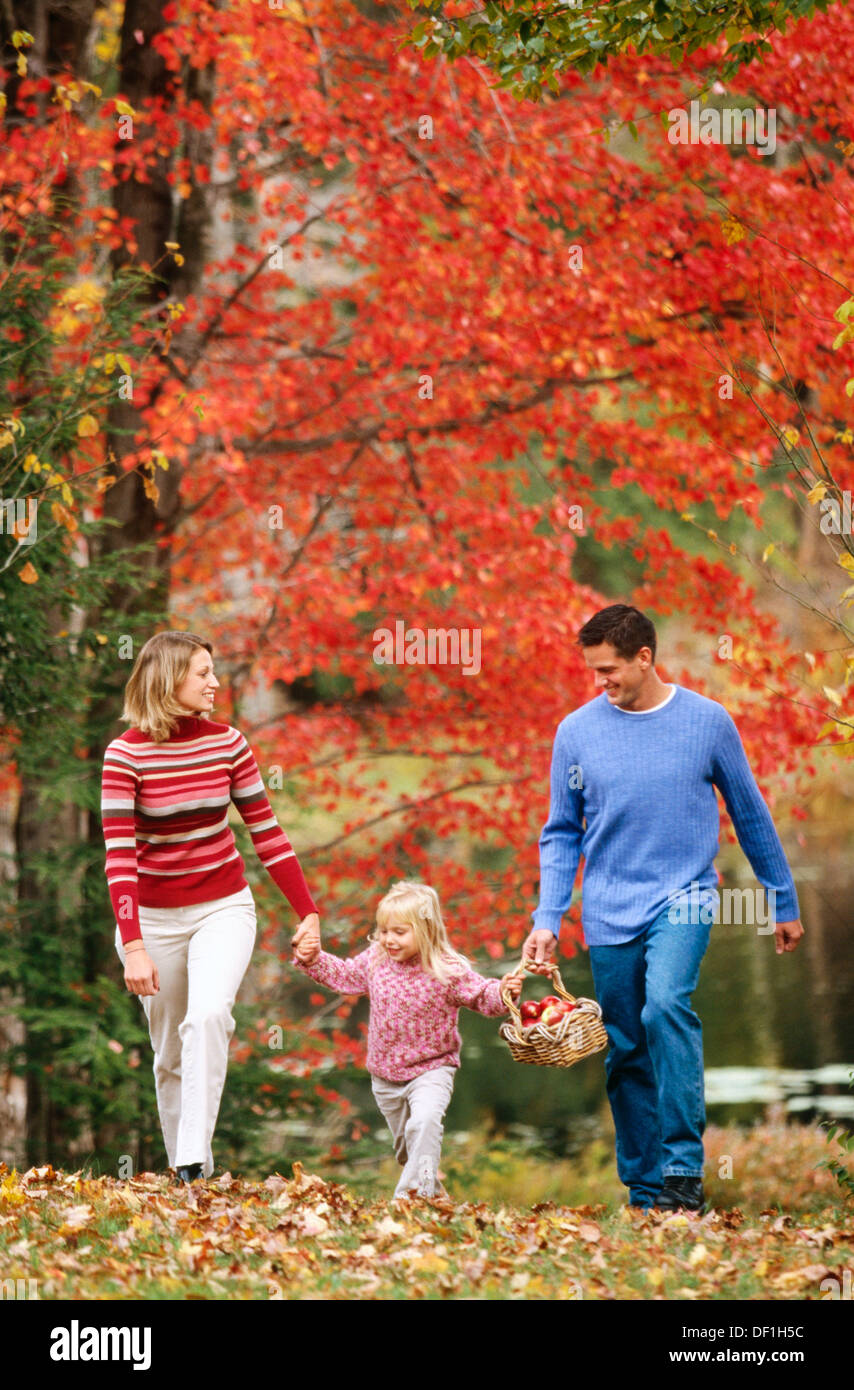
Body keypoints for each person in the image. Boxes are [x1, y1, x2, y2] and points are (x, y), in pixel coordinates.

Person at [523, 605, 804, 1214]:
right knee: (625, 1044)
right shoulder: (576, 732)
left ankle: (682, 1173)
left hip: (686, 895)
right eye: (593, 670)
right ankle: (646, 1190)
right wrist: (548, 917)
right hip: (607, 907)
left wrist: (781, 897)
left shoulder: (707, 722)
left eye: (609, 669)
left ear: (644, 657)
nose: (600, 681)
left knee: (666, 1006)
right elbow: (561, 831)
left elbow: (749, 812)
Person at [101, 630, 320, 1184]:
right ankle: (192, 1176)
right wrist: (134, 946)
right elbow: (120, 860)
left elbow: (267, 834)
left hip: (223, 907)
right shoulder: (125, 755)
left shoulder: (229, 744)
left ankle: (190, 1166)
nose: (214, 683)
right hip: (152, 920)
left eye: (212, 671)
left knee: (208, 1018)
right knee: (170, 1054)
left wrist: (308, 911)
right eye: (202, 673)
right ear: (169, 679)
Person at [293, 880, 521, 1200]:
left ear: (425, 930)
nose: (389, 939)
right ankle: (432, 1194)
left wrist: (503, 992)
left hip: (432, 1069)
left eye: (399, 932)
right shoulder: (376, 959)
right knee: (410, 1150)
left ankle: (411, 1200)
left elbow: (483, 996)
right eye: (384, 931)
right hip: (385, 1077)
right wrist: (313, 959)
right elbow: (345, 975)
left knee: (424, 1125)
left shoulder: (446, 968)